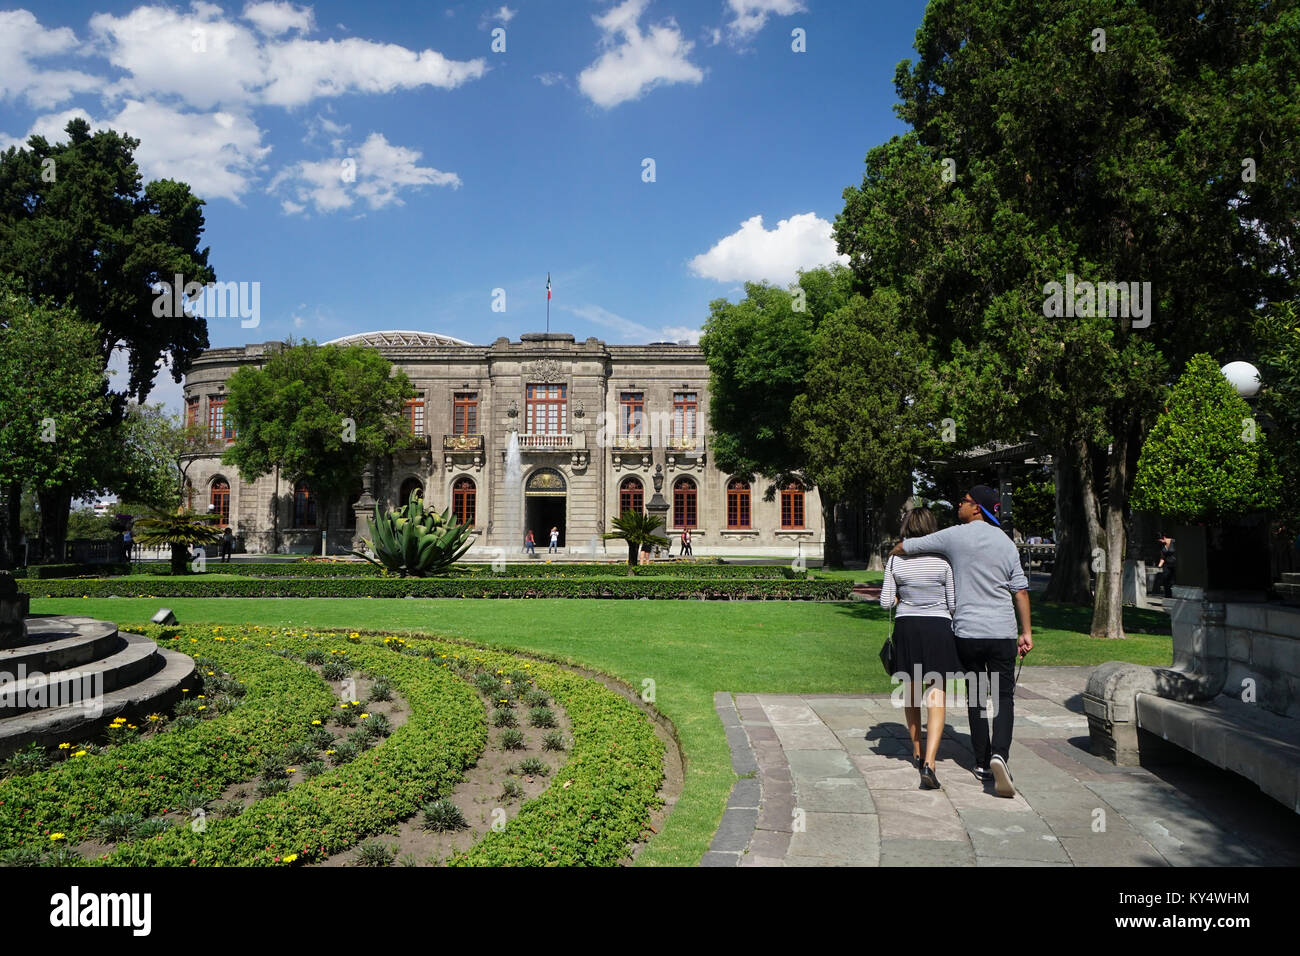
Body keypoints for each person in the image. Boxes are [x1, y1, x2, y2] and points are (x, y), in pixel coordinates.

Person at [892, 485, 1033, 798]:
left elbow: (910, 545)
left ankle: (982, 762)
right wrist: (1026, 632)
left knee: (978, 696)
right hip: (1002, 631)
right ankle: (1000, 754)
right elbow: (1020, 591)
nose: (959, 504)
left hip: (968, 632)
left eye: (965, 501)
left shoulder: (954, 536)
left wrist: (895, 555)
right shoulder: (1006, 543)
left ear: (977, 508)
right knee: (1004, 696)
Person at [880, 507, 962, 790]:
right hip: (938, 627)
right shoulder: (944, 561)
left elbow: (885, 602)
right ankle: (930, 761)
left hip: (908, 627)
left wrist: (903, 596)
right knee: (936, 693)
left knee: (912, 691)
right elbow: (953, 604)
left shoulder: (895, 560)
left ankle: (916, 749)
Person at [1153, 533, 1176, 598]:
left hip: (1174, 564)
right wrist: (1159, 566)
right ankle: (1168, 596)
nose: (1160, 542)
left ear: (1164, 538)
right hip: (1166, 565)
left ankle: (1172, 594)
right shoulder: (1162, 545)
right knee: (1165, 580)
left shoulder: (1173, 542)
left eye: (1160, 540)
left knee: (1172, 580)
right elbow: (1162, 557)